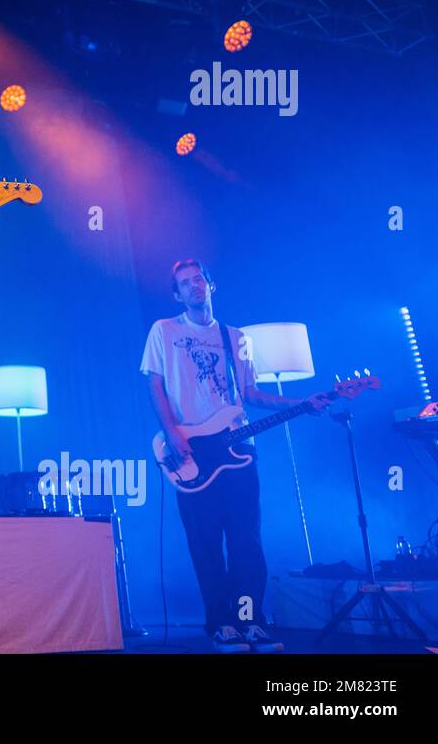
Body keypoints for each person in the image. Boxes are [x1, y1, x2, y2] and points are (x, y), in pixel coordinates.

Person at [140, 258, 330, 653]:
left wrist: (301, 402)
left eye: (199, 279)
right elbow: (155, 386)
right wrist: (172, 432)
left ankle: (252, 622)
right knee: (205, 542)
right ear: (177, 294)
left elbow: (252, 395)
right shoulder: (164, 330)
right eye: (185, 283)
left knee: (246, 541)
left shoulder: (237, 338)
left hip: (239, 449)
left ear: (211, 285)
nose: (194, 286)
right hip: (190, 449)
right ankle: (222, 624)